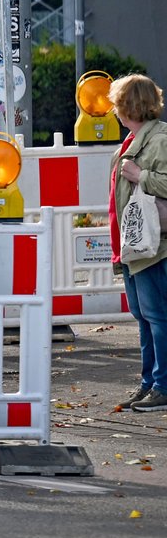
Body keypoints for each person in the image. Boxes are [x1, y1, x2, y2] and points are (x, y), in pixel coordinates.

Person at [110, 74, 167, 410]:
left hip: (153, 246)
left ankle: (162, 386)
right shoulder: (135, 140)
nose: (114, 110)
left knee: (156, 317)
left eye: (117, 103)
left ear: (128, 105)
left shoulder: (158, 140)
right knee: (145, 317)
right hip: (136, 245)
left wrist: (140, 175)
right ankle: (150, 383)